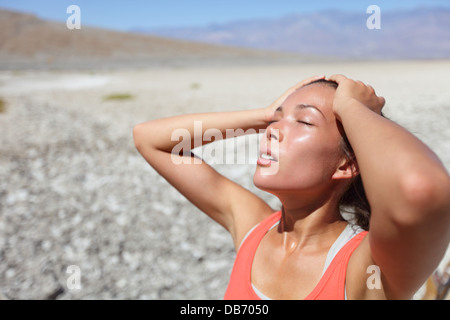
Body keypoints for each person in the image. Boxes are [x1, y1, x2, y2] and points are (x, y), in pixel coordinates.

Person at [133, 75, 450, 299]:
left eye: (305, 122)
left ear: (346, 165)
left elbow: (420, 189)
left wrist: (354, 107)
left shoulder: (365, 267)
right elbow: (150, 139)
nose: (271, 131)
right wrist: (264, 114)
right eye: (275, 121)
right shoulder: (254, 230)